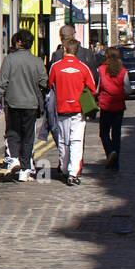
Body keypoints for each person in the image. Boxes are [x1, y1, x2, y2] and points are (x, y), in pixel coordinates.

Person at [0, 30, 49, 181]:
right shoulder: (37, 61)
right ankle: (25, 169)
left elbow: (2, 82)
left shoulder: (9, 60)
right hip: (31, 105)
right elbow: (44, 82)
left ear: (19, 42)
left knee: (12, 133)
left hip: (12, 103)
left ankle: (14, 160)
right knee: (28, 136)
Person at [48, 38, 97, 186]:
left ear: (64, 49)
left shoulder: (56, 67)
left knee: (63, 140)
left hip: (61, 108)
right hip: (78, 109)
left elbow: (50, 85)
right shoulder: (83, 68)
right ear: (76, 50)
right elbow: (93, 88)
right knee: (76, 141)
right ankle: (73, 172)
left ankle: (64, 167)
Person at [97, 45, 128, 172]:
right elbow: (128, 89)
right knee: (116, 134)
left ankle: (110, 152)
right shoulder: (123, 71)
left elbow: (96, 88)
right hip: (119, 106)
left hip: (105, 106)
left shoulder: (101, 70)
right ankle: (116, 164)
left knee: (103, 133)